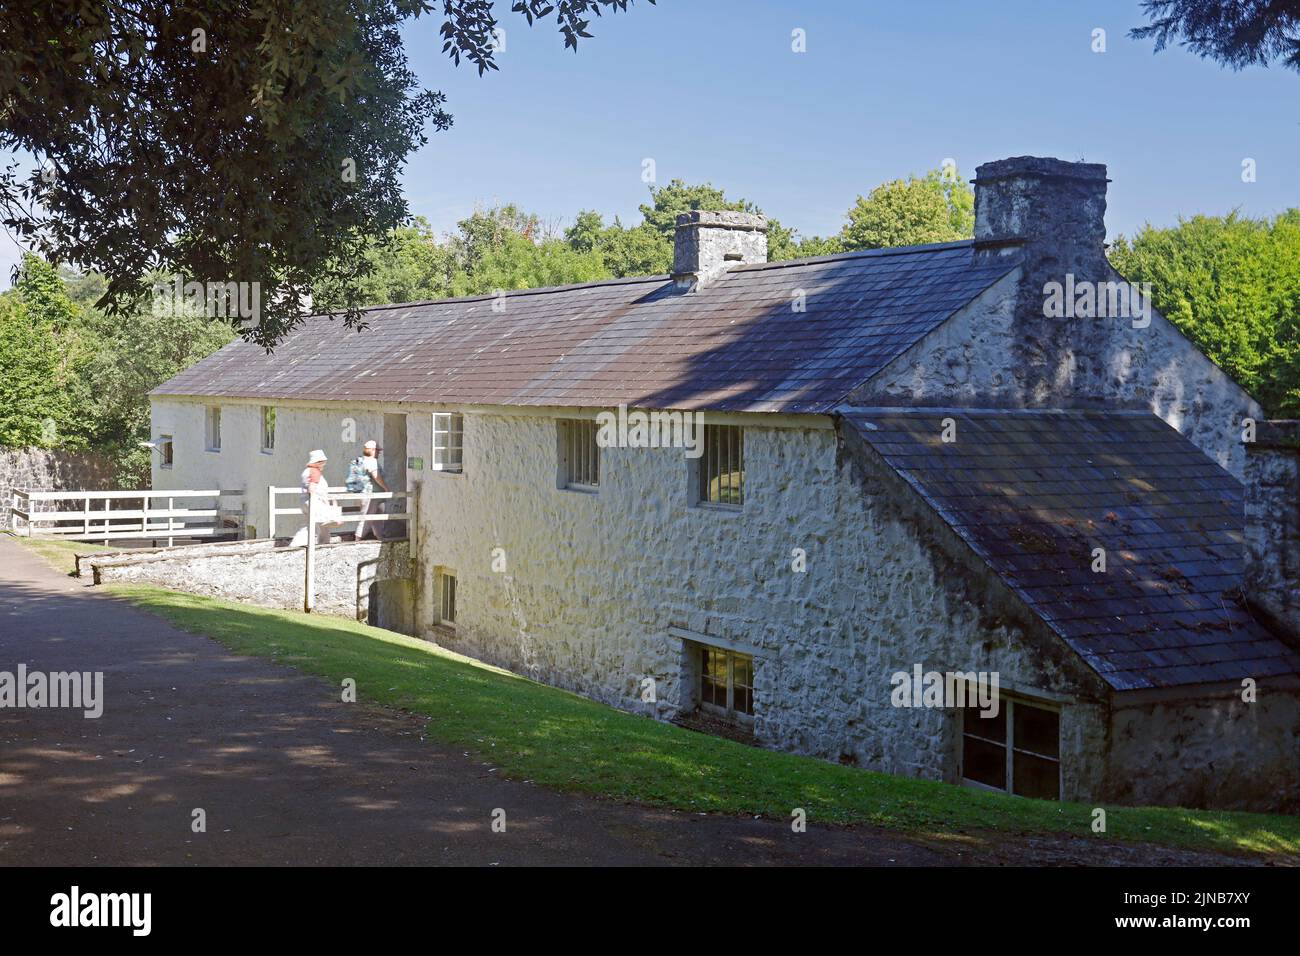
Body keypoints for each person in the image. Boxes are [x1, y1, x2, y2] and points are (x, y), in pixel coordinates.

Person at [300, 449, 342, 545]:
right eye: (323, 462)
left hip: (306, 502)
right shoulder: (315, 471)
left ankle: (312, 546)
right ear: (318, 462)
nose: (324, 464)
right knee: (324, 529)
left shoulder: (306, 471)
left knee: (310, 528)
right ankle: (321, 548)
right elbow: (312, 488)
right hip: (314, 502)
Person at [351, 439, 390, 541]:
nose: (379, 453)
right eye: (377, 451)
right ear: (372, 450)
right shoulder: (371, 461)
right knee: (367, 517)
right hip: (370, 495)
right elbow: (376, 476)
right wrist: (386, 488)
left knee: (377, 516)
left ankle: (380, 537)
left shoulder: (360, 460)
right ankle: (357, 540)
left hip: (367, 494)